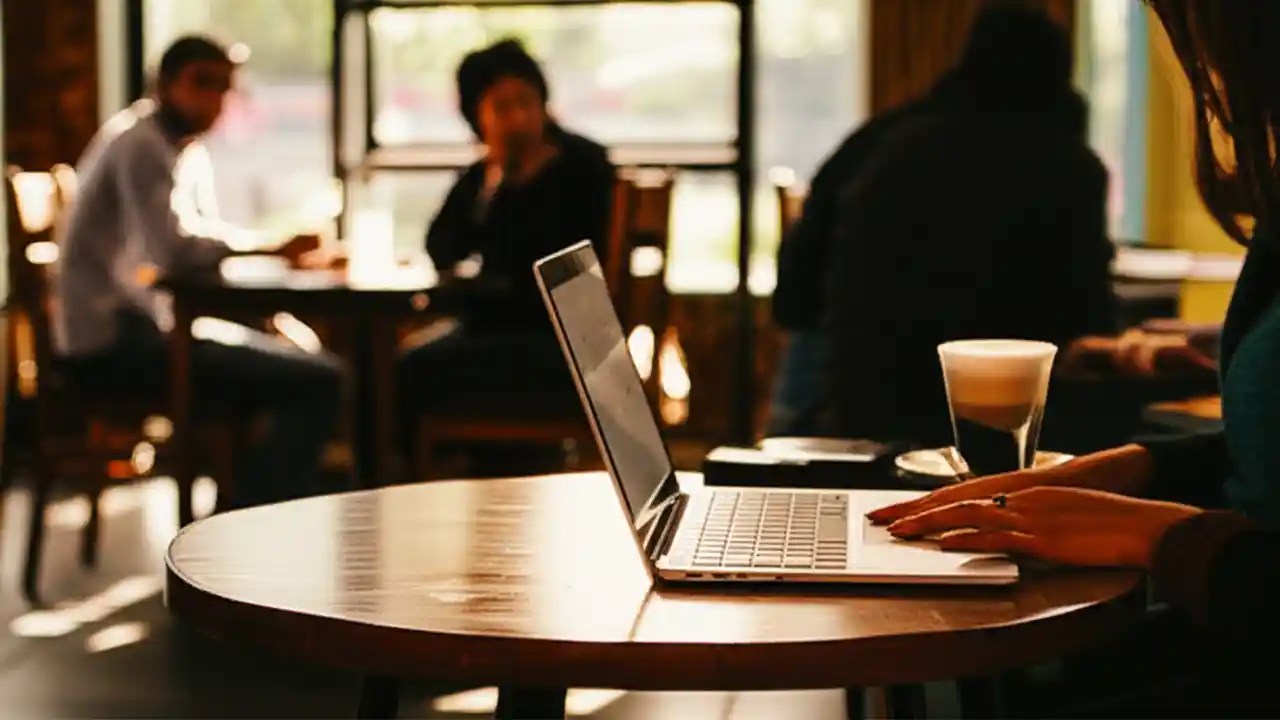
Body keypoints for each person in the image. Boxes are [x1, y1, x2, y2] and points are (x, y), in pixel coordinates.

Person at [871, 0, 1280, 711]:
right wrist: (1140, 468)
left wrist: (1159, 534)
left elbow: (795, 303)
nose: (1207, 84)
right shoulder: (1067, 161)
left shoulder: (883, 142)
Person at [54, 36, 345, 507]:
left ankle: (245, 509)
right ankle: (252, 517)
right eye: (202, 83)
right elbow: (173, 252)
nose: (215, 99)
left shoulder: (176, 148)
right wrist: (273, 246)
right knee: (320, 380)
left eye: (224, 88)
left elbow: (191, 249)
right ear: (166, 84)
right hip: (111, 345)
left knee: (296, 361)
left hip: (138, 329)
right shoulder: (143, 146)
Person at [817, 3, 1117, 446]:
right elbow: (1087, 316)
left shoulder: (883, 141)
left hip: (869, 402)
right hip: (1011, 419)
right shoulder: (1067, 165)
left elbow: (799, 290)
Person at [398, 39, 615, 471]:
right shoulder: (490, 173)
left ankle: (437, 476)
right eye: (501, 108)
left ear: (543, 103)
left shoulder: (581, 166)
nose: (517, 118)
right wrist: (492, 182)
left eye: (525, 102)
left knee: (411, 369)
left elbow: (542, 265)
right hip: (500, 327)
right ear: (478, 120)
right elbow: (440, 246)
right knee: (410, 359)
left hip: (563, 340)